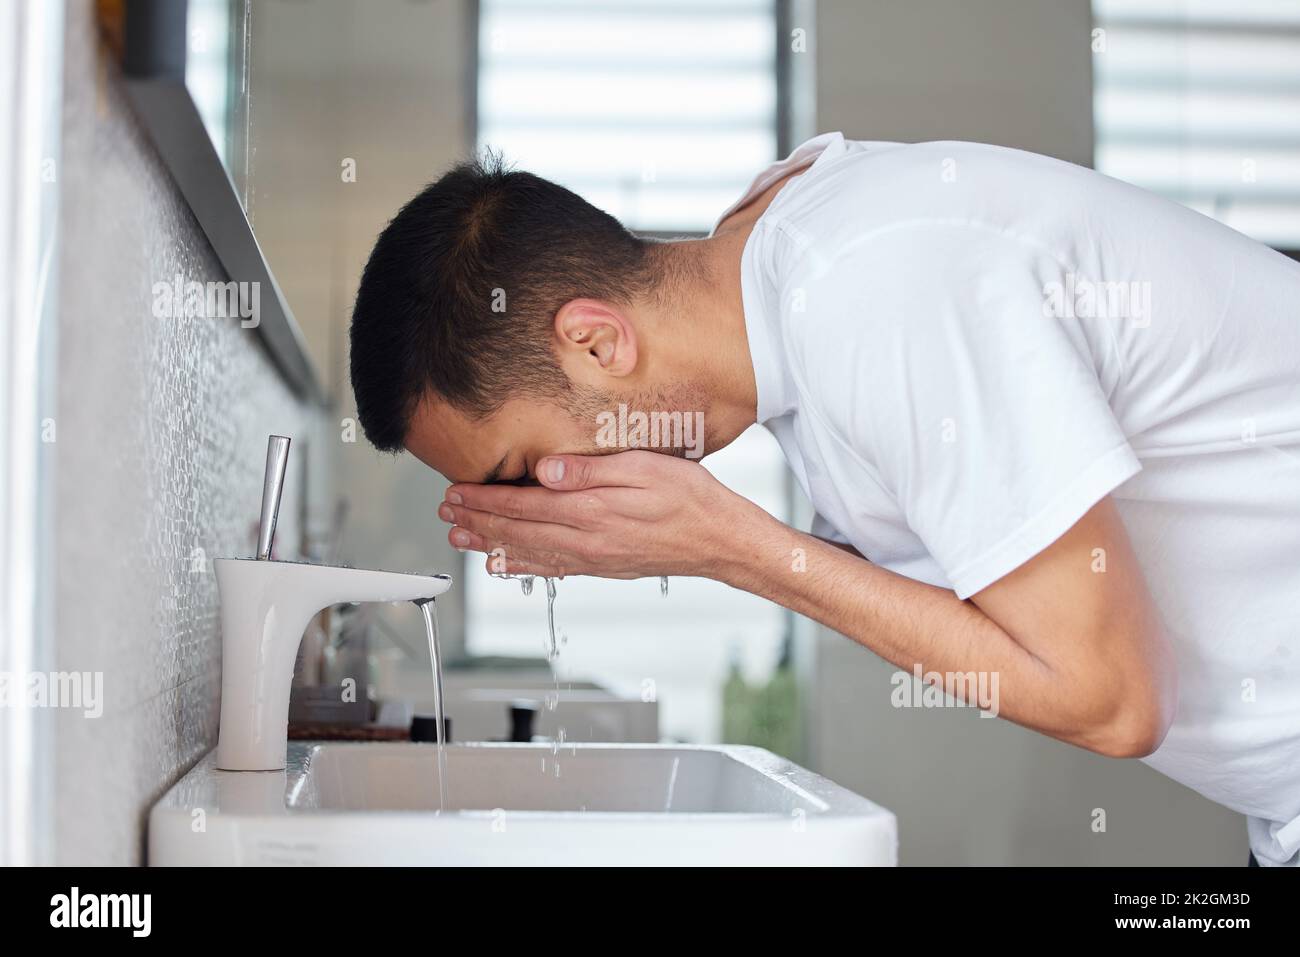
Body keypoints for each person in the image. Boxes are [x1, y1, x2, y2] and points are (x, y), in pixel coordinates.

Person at [349, 133, 1300, 866]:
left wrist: (735, 548)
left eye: (523, 472)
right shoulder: (782, 275)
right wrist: (725, 546)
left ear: (596, 343)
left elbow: (1117, 700)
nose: (545, 511)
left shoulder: (871, 291)